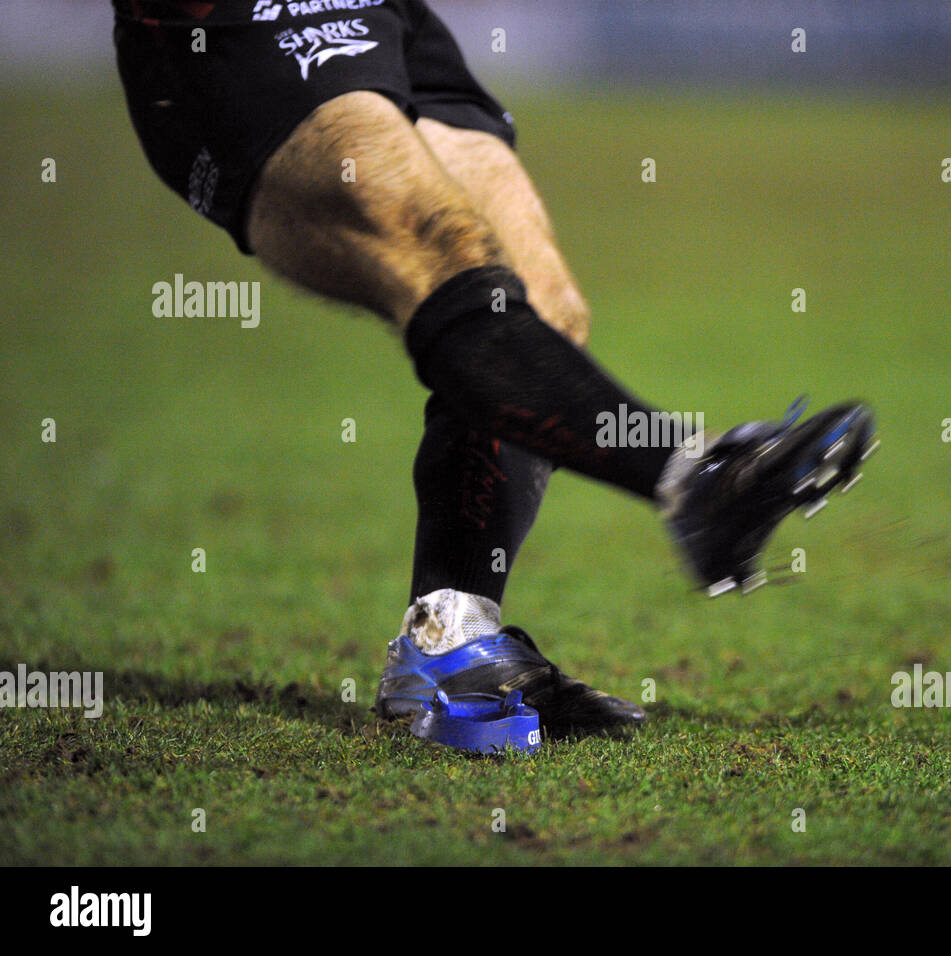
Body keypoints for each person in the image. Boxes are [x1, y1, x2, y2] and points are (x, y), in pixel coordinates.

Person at [112, 0, 875, 741]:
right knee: (437, 244)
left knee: (537, 310)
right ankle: (697, 478)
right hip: (232, 19)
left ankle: (448, 644)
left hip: (382, 14)